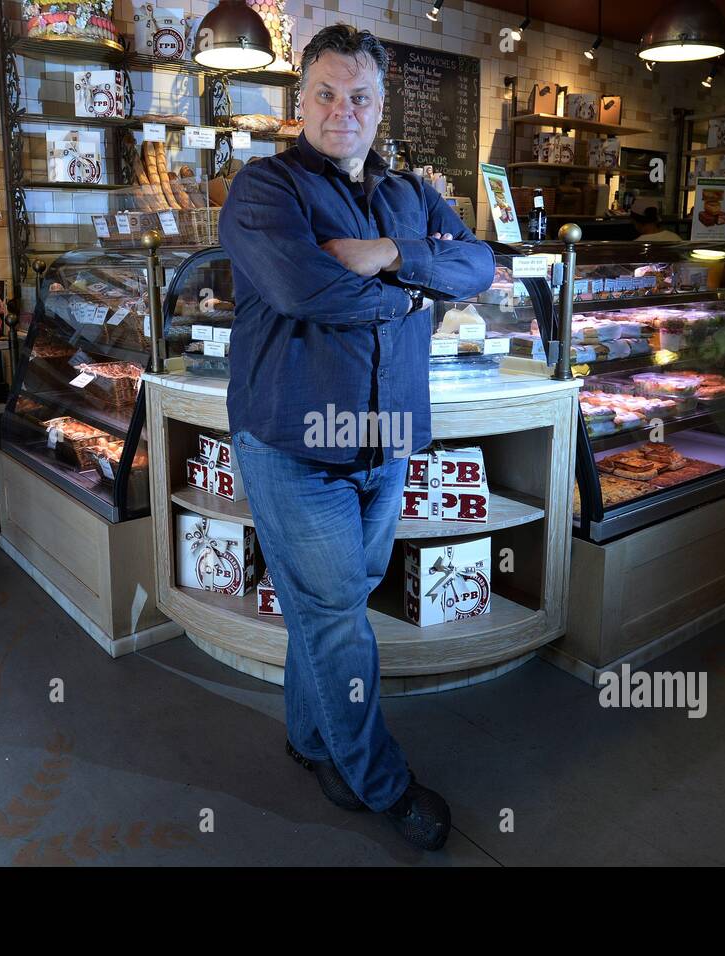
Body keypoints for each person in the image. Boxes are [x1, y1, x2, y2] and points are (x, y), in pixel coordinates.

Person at [217, 24, 496, 852]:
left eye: (360, 96)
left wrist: (383, 253)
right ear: (300, 102)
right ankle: (382, 783)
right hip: (296, 439)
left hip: (387, 433)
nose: (344, 109)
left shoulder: (410, 195)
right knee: (338, 617)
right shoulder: (264, 190)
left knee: (332, 605)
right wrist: (415, 291)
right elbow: (306, 291)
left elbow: (479, 266)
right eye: (327, 94)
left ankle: (314, 741)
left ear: (381, 108)